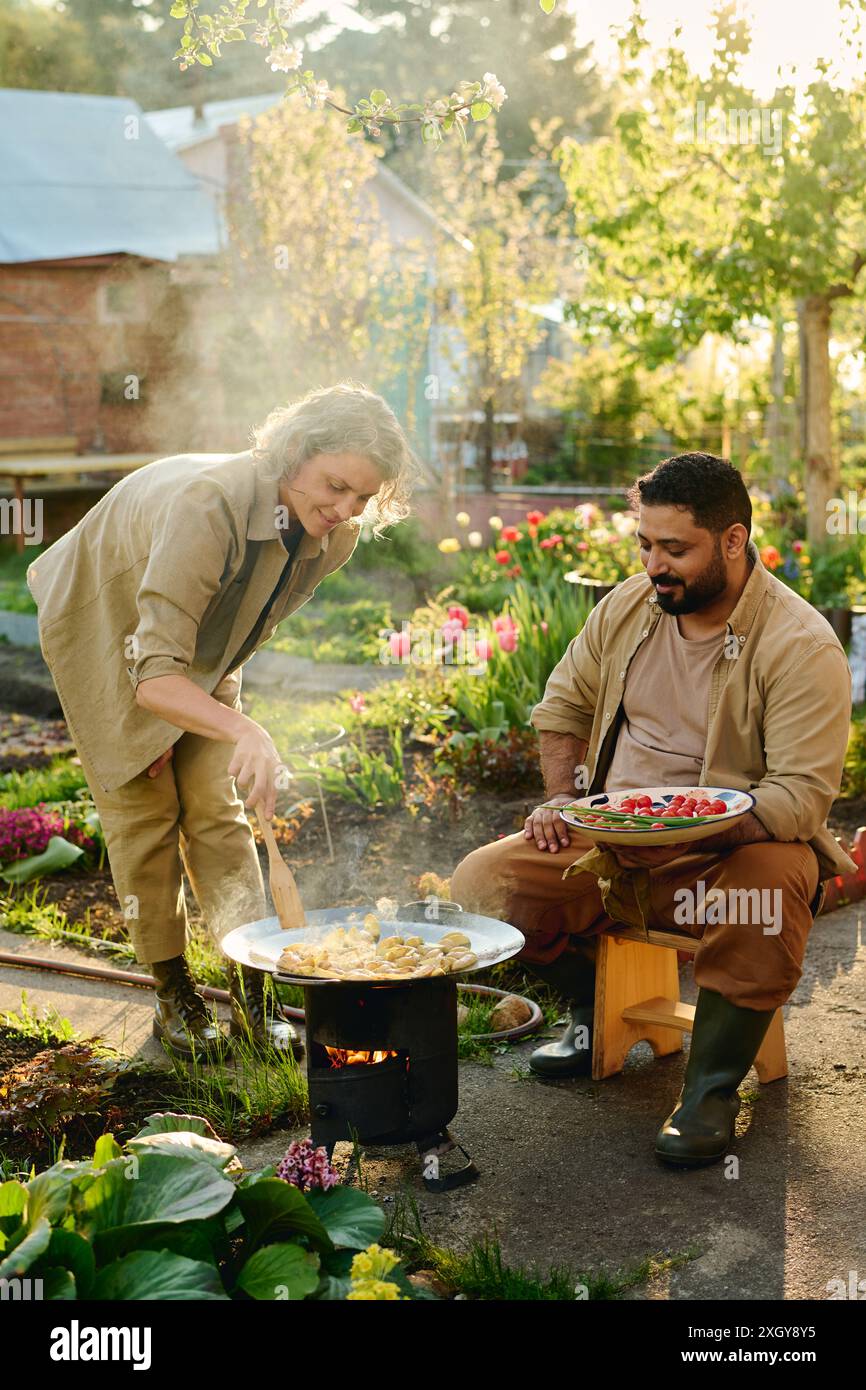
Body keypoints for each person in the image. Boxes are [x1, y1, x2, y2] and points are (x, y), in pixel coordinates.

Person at [450, 453, 856, 1166]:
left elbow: (799, 797)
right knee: (483, 885)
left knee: (769, 884)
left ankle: (711, 1090)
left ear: (734, 542)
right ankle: (590, 1013)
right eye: (644, 544)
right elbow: (562, 706)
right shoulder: (630, 607)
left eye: (675, 549)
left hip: (724, 855)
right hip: (610, 837)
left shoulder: (800, 644)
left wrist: (682, 830)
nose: (653, 565)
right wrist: (562, 801)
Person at [27, 381, 417, 1059]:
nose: (346, 508)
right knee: (145, 807)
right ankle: (173, 994)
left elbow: (247, 619)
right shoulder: (206, 507)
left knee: (218, 804)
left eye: (362, 496)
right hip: (106, 611)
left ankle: (253, 992)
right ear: (294, 452)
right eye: (336, 485)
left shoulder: (335, 536)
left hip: (192, 638)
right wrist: (219, 727)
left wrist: (222, 719)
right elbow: (152, 675)